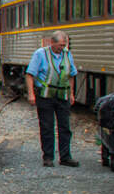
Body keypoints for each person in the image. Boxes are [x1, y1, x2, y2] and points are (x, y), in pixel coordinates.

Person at [25, 30, 79, 167]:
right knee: (47, 127)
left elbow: (71, 75)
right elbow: (30, 74)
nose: (62, 47)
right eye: (60, 45)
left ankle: (65, 157)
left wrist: (71, 93)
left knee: (65, 127)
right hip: (45, 96)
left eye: (64, 45)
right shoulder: (40, 54)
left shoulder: (67, 55)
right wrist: (31, 94)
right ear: (52, 42)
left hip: (63, 96)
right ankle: (48, 157)